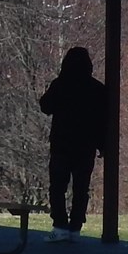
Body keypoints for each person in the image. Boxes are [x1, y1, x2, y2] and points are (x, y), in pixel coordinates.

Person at [38, 46, 108, 243]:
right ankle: (76, 226)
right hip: (86, 145)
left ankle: (60, 225)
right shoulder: (97, 89)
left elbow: (45, 106)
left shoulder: (61, 84)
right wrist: (102, 145)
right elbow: (103, 121)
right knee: (81, 188)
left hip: (62, 143)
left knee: (58, 187)